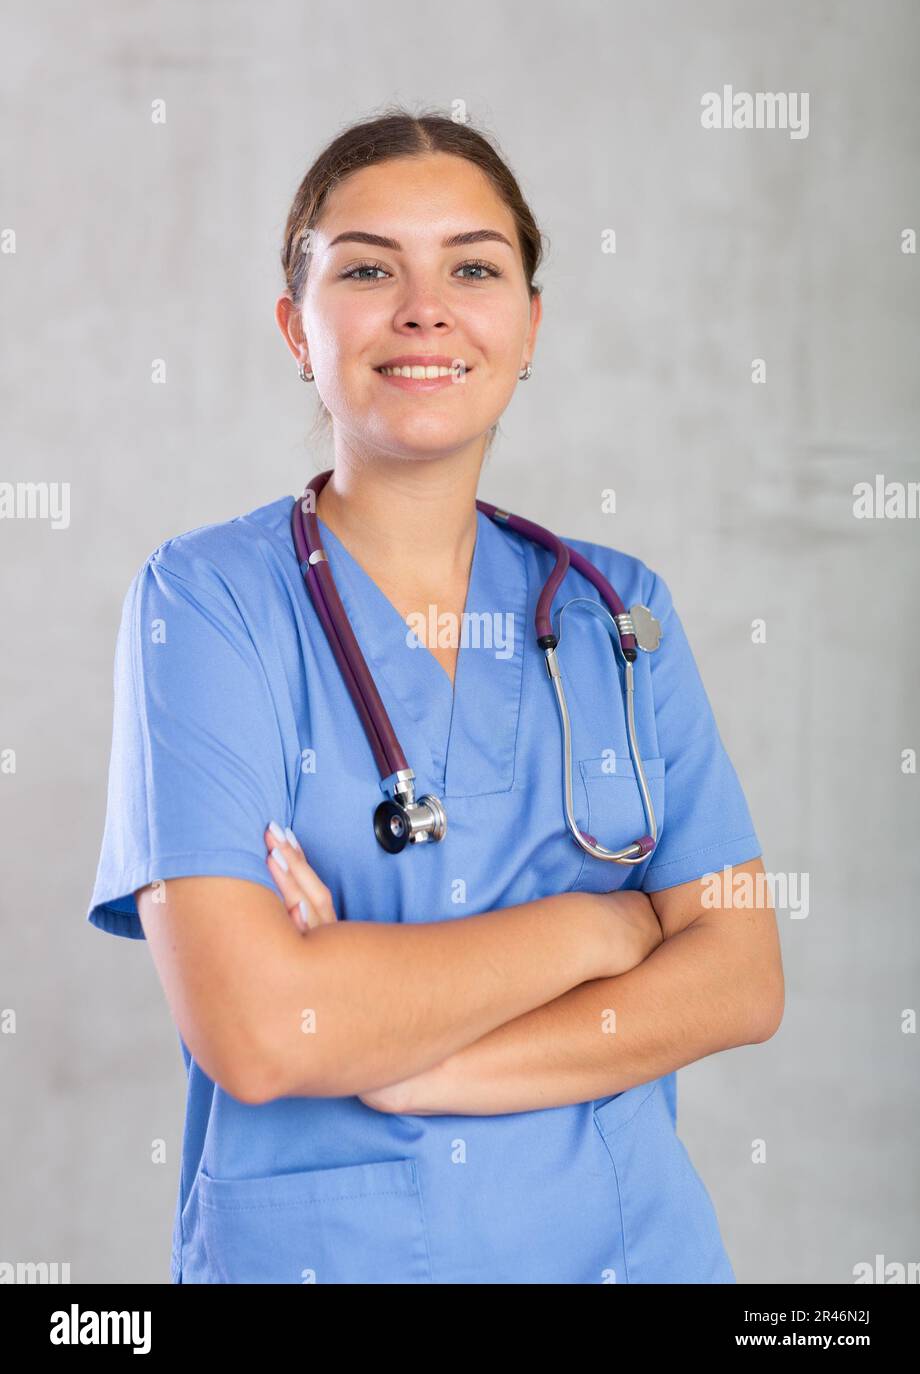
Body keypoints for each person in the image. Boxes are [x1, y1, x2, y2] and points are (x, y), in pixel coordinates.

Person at [87, 107, 784, 1285]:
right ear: (294, 329)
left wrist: (406, 1058)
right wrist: (602, 927)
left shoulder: (613, 613)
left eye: (472, 266)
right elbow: (260, 1033)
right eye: (366, 268)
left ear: (527, 323)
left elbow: (739, 977)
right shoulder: (204, 605)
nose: (425, 308)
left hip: (628, 1252)